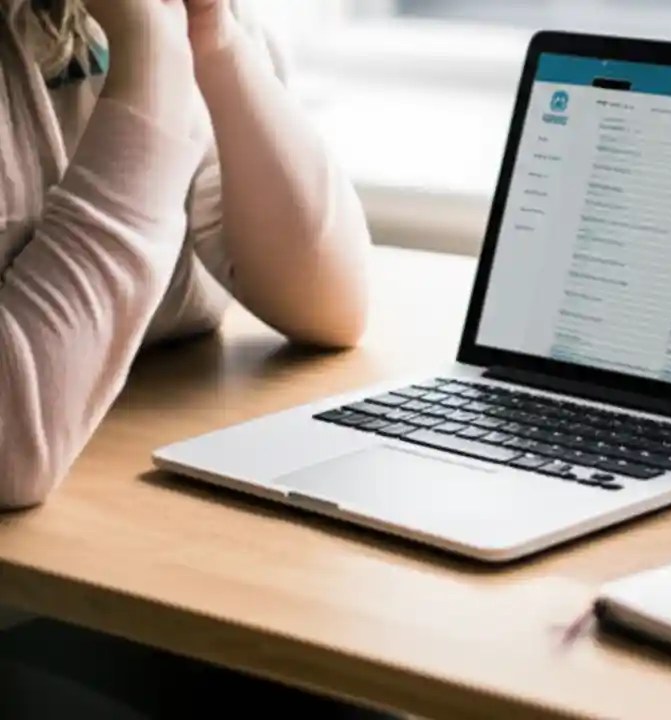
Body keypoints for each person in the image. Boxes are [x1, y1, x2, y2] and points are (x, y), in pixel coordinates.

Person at [0, 1, 382, 715]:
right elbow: (10, 448)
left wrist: (210, 36)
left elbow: (326, 303)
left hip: (127, 564)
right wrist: (150, 53)